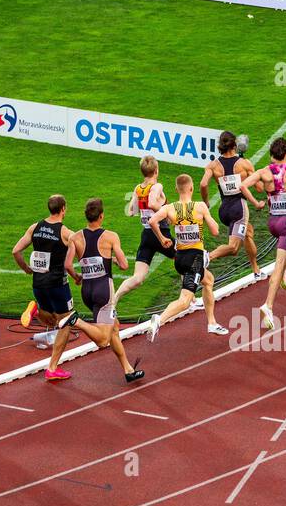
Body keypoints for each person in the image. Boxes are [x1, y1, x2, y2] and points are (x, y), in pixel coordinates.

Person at [46, 199, 144, 384]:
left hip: (87, 291)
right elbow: (124, 265)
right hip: (104, 291)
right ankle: (77, 320)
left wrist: (77, 277)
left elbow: (68, 265)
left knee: (114, 327)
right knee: (103, 340)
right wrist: (114, 260)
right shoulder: (111, 236)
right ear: (101, 216)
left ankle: (128, 369)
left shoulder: (75, 237)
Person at [144, 174, 228, 340]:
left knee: (208, 280)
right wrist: (206, 217)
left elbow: (153, 221)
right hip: (194, 260)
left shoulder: (170, 208)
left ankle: (211, 323)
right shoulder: (200, 206)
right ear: (191, 188)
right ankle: (159, 320)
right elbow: (216, 231)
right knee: (185, 300)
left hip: (179, 258)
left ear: (176, 189)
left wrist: (162, 239)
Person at [240, 138, 286, 332]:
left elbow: (242, 185)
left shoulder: (264, 172)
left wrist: (257, 203)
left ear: (272, 154)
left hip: (273, 223)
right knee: (278, 266)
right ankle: (268, 305)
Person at [11, 194, 77, 349]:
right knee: (68, 319)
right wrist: (77, 276)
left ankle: (36, 312)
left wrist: (26, 268)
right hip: (57, 284)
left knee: (52, 318)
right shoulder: (65, 232)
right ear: (63, 209)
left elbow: (16, 251)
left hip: (38, 283)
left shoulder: (35, 227)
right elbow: (81, 246)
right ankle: (57, 354)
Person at [203, 130, 264, 279]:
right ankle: (207, 257)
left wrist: (205, 202)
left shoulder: (213, 165)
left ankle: (256, 270)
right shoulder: (244, 164)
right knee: (234, 247)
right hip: (239, 209)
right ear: (234, 146)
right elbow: (259, 188)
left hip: (224, 210)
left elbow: (203, 184)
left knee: (248, 233)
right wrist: (252, 174)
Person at [114, 156, 172, 311]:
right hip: (160, 232)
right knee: (184, 259)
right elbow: (153, 203)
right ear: (156, 171)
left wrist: (144, 207)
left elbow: (132, 211)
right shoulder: (157, 186)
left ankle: (114, 300)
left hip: (147, 234)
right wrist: (167, 212)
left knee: (138, 277)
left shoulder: (138, 188)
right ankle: (191, 299)